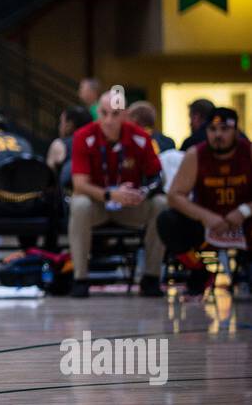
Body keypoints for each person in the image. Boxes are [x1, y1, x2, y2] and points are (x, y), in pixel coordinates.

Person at [68, 90, 166, 298]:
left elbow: (157, 177)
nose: (109, 120)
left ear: (125, 115)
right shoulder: (83, 136)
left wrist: (142, 192)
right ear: (97, 113)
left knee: (161, 204)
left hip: (130, 205)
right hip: (98, 205)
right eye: (104, 113)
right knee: (79, 204)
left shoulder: (140, 137)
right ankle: (80, 278)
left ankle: (151, 277)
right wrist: (110, 195)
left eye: (115, 114)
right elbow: (79, 184)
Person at [158, 107, 252, 295]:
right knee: (167, 221)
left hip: (245, 224)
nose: (218, 135)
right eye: (213, 130)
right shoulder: (195, 154)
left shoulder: (248, 152)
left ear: (235, 131)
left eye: (224, 129)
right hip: (208, 226)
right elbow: (174, 196)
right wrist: (205, 216)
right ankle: (199, 268)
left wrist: (243, 211)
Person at [45, 103, 92, 191]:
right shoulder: (97, 145)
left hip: (68, 199)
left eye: (61, 122)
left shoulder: (59, 144)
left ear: (69, 125)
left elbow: (47, 180)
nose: (59, 127)